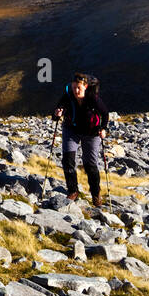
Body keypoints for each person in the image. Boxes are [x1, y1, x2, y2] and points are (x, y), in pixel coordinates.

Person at [52, 72, 108, 204]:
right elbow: (56, 113)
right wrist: (57, 114)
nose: (76, 90)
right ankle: (73, 191)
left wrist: (103, 128)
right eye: (74, 87)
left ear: (86, 87)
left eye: (79, 88)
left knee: (90, 165)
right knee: (68, 160)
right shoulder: (68, 95)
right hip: (71, 130)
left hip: (92, 133)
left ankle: (95, 194)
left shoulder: (92, 98)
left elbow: (105, 113)